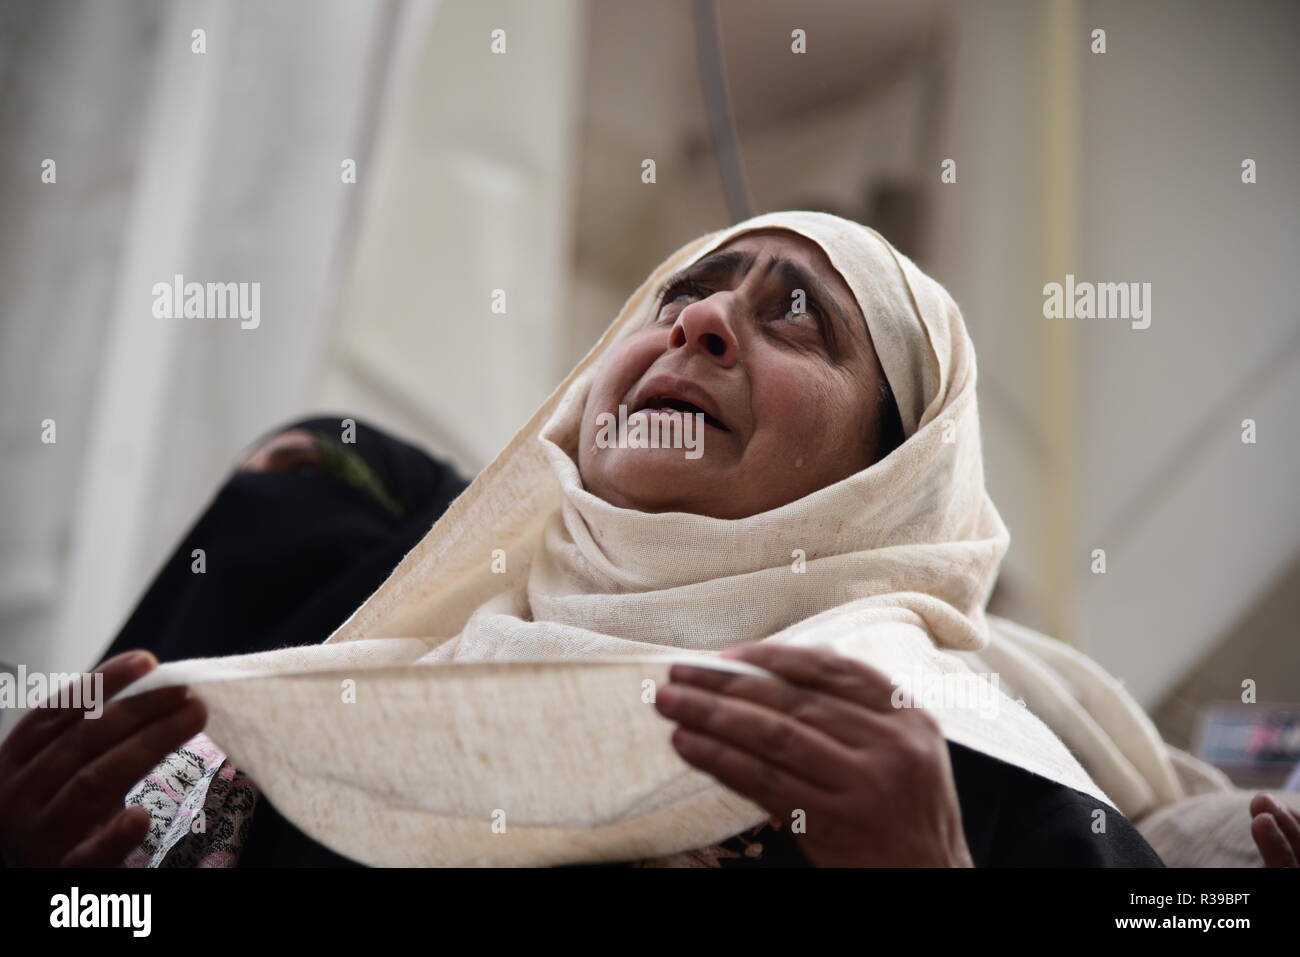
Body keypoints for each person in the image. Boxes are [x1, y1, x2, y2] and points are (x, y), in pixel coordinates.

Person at [0, 212, 1288, 868]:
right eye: (684, 293)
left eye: (799, 319)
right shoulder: (338, 692)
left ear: (887, 488)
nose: (706, 324)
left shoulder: (957, 769)